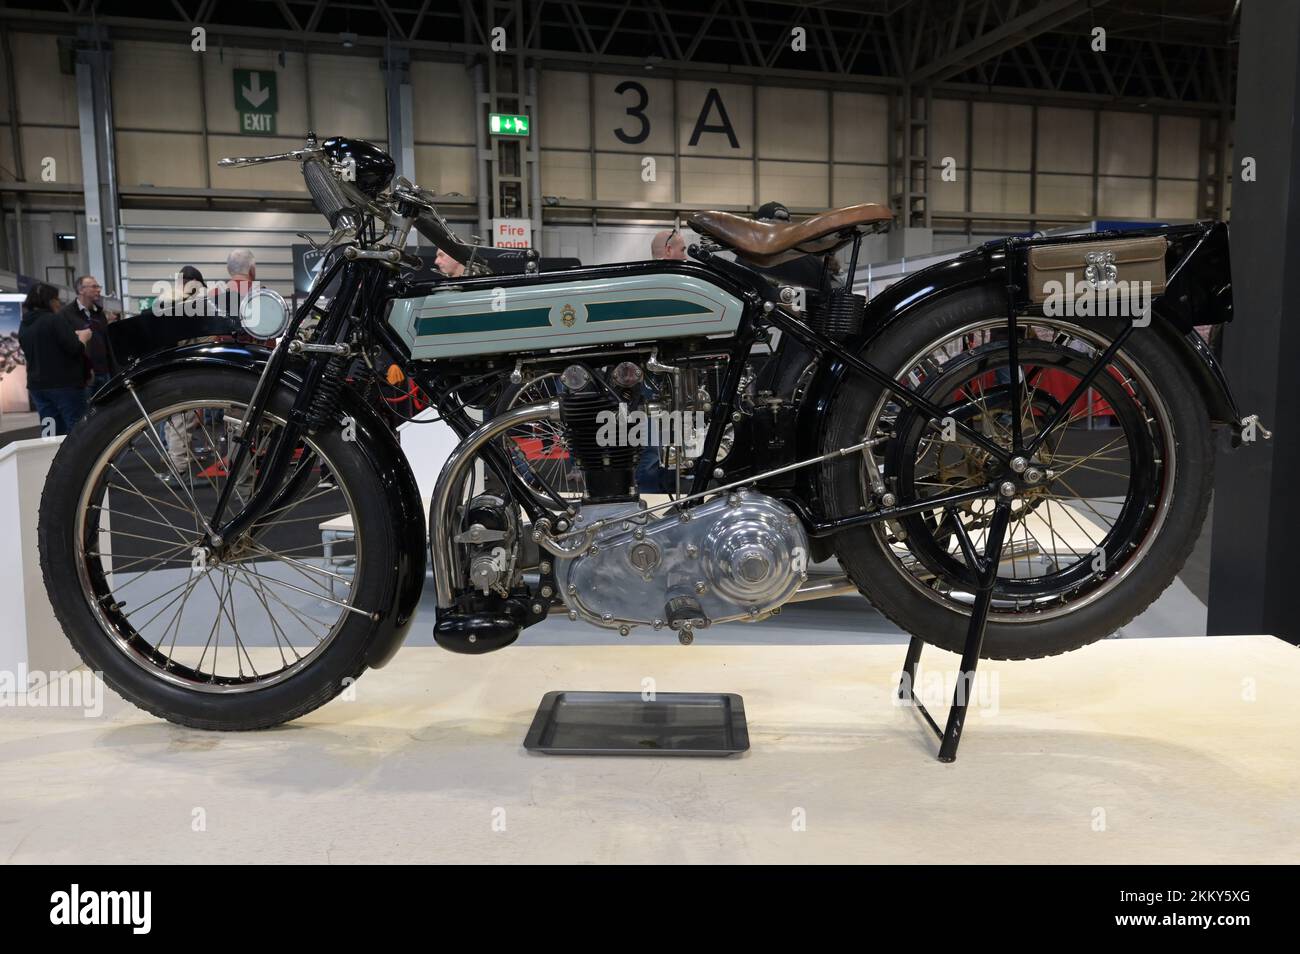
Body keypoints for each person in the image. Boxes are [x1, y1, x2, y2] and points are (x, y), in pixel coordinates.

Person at [18, 283, 92, 435]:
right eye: (57, 299)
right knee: (76, 430)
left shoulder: (24, 324)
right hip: (65, 385)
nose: (59, 303)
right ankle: (77, 459)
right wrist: (83, 338)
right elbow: (74, 349)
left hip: (37, 386)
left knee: (49, 430)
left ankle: (52, 456)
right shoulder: (54, 320)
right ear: (51, 301)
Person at [60, 275, 115, 397]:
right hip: (84, 376)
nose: (99, 290)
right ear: (81, 290)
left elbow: (106, 342)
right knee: (85, 413)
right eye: (94, 287)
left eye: (98, 286)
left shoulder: (99, 313)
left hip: (104, 373)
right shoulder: (66, 314)